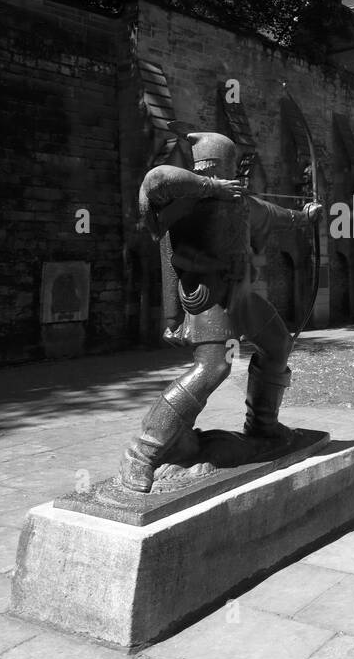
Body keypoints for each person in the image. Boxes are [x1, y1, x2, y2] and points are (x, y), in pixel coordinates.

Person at [121, 131, 322, 493]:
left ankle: (263, 427)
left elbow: (279, 215)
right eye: (224, 171)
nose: (235, 179)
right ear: (212, 169)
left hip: (242, 297)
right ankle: (143, 453)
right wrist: (210, 186)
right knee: (214, 366)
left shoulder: (243, 204)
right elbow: (156, 180)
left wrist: (306, 216)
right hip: (210, 298)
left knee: (277, 344)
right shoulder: (185, 201)